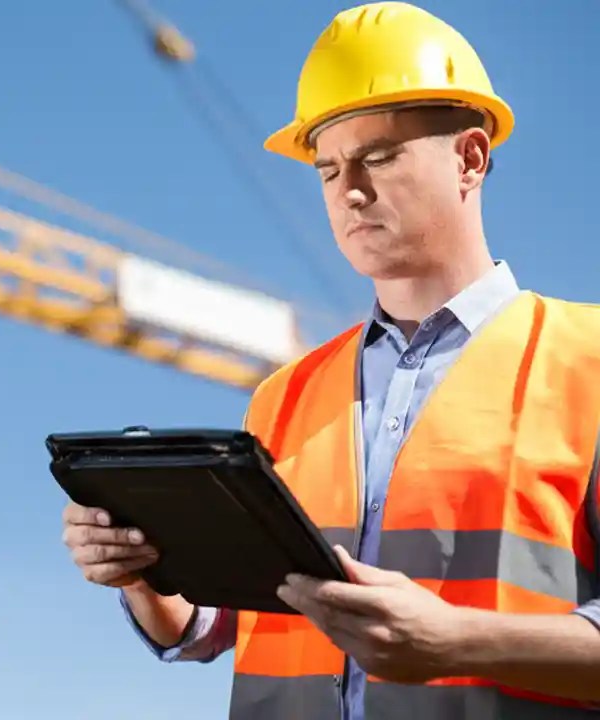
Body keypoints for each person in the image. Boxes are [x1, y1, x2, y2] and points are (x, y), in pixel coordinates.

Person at [62, 3, 600, 718]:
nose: (349, 190)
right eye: (327, 169)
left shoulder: (586, 362)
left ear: (469, 159)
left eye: (379, 157)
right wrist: (139, 573)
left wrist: (459, 642)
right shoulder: (284, 396)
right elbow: (223, 625)